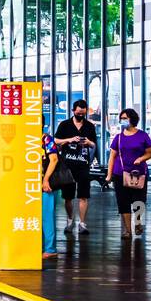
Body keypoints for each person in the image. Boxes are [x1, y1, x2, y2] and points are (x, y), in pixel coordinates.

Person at [104, 108, 151, 240]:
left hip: (139, 174)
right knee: (123, 202)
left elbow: (149, 152)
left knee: (139, 201)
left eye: (125, 118)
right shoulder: (119, 137)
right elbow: (112, 156)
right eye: (121, 118)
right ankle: (127, 230)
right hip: (120, 174)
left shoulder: (142, 135)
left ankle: (137, 221)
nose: (122, 121)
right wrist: (109, 175)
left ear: (132, 119)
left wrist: (141, 159)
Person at [53, 99, 98, 234]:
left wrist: (88, 142)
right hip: (68, 165)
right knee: (68, 196)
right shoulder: (65, 125)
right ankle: (69, 219)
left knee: (83, 194)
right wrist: (70, 140)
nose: (80, 116)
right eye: (78, 113)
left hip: (83, 164)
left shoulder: (90, 126)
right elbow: (55, 140)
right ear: (73, 111)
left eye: (82, 114)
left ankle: (82, 223)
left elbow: (94, 144)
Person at [40, 132, 60, 260]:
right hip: (31, 185)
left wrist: (46, 179)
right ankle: (41, 246)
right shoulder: (25, 140)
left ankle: (50, 249)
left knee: (47, 216)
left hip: (46, 185)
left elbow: (54, 159)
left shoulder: (46, 139)